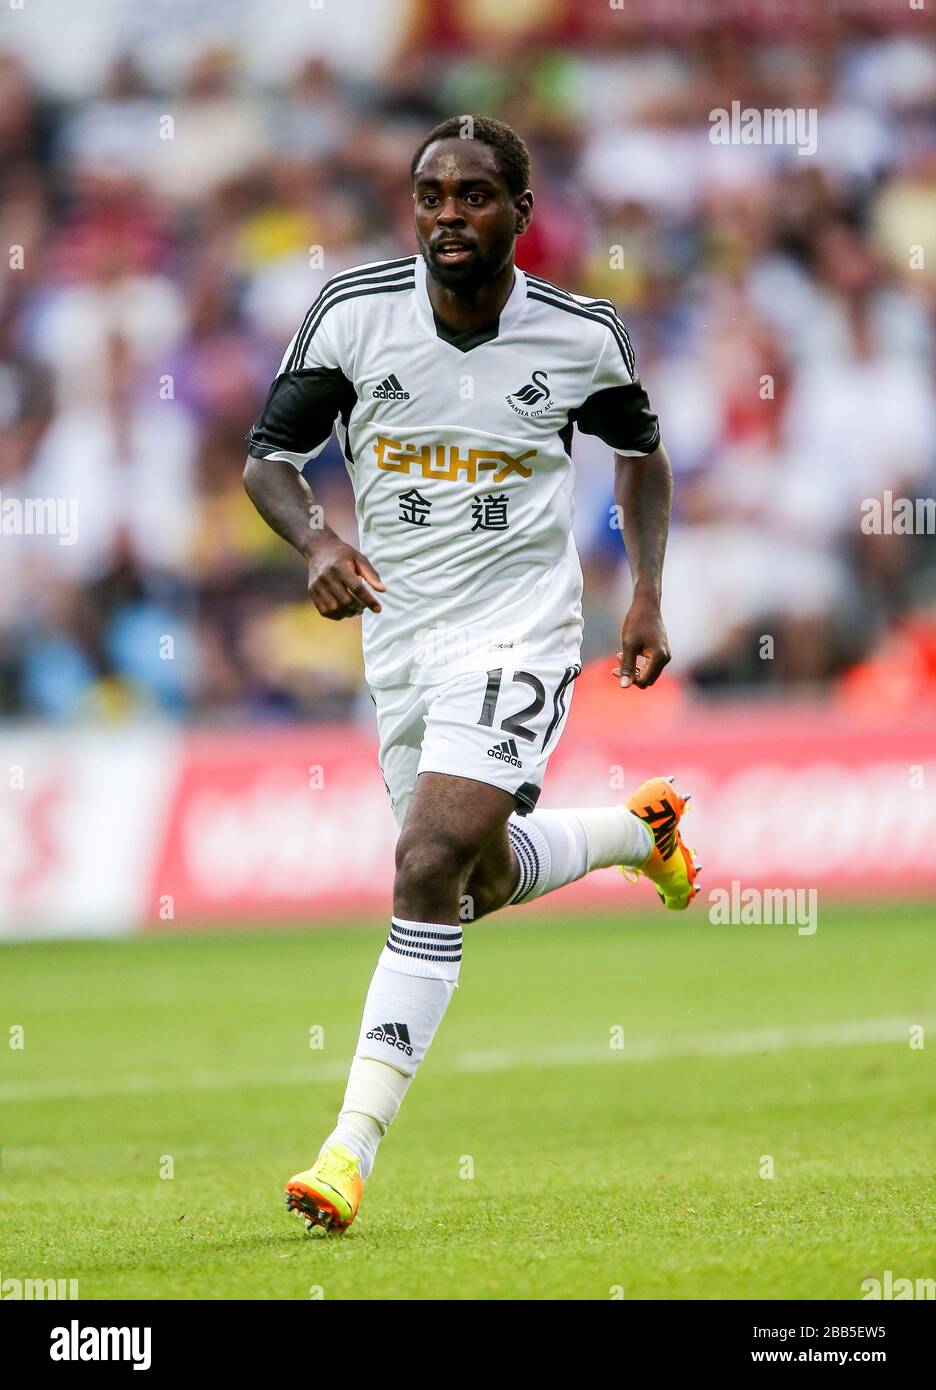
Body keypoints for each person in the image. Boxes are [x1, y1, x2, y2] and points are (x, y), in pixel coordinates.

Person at [243, 115, 700, 1233]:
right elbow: (268, 461)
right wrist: (317, 544)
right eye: (432, 195)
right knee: (470, 883)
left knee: (427, 859)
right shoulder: (355, 317)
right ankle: (637, 833)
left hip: (522, 630)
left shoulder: (579, 336)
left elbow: (640, 455)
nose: (450, 215)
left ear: (522, 213)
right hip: (403, 641)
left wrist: (643, 593)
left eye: (476, 196)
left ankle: (347, 1151)